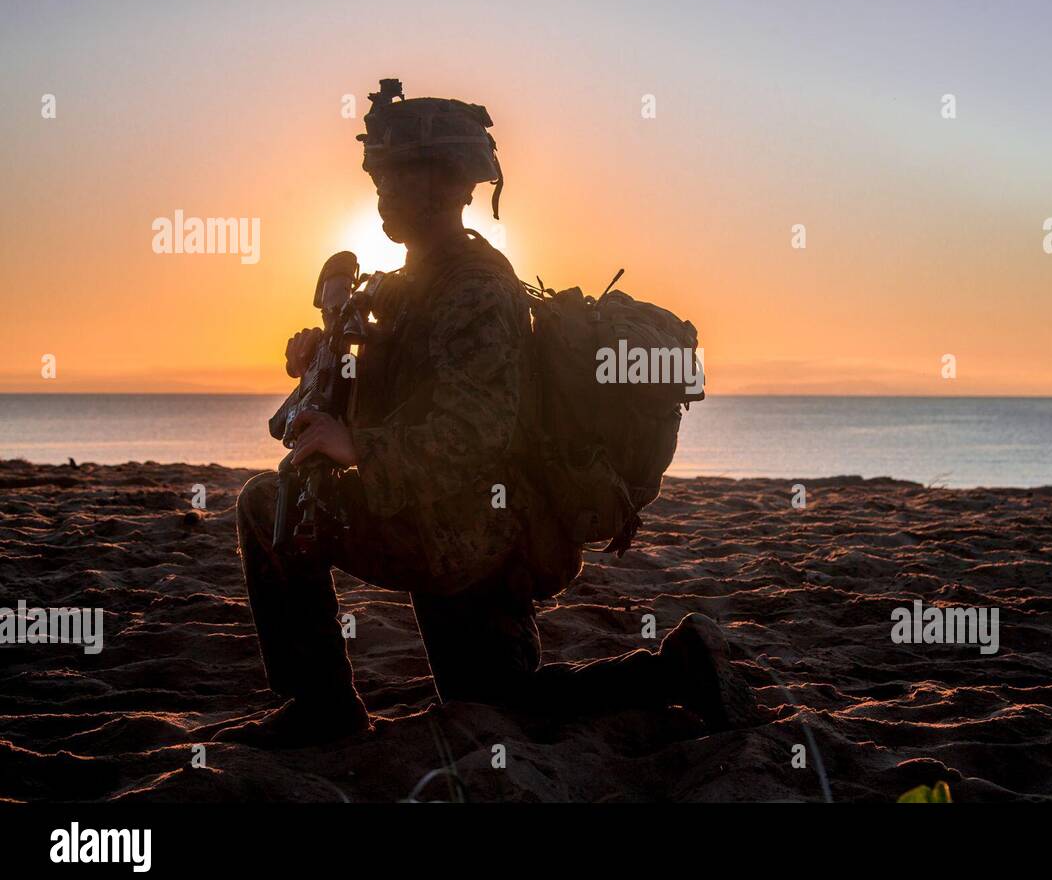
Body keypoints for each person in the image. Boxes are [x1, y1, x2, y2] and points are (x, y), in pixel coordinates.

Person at [214, 80, 759, 747]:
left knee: (272, 503)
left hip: (472, 530)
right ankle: (675, 675)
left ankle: (322, 708)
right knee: (499, 702)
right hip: (465, 519)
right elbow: (406, 380)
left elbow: (473, 432)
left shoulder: (474, 291)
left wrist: (356, 448)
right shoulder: (418, 281)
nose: (382, 192)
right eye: (378, 178)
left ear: (445, 188)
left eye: (398, 177)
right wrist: (329, 359)